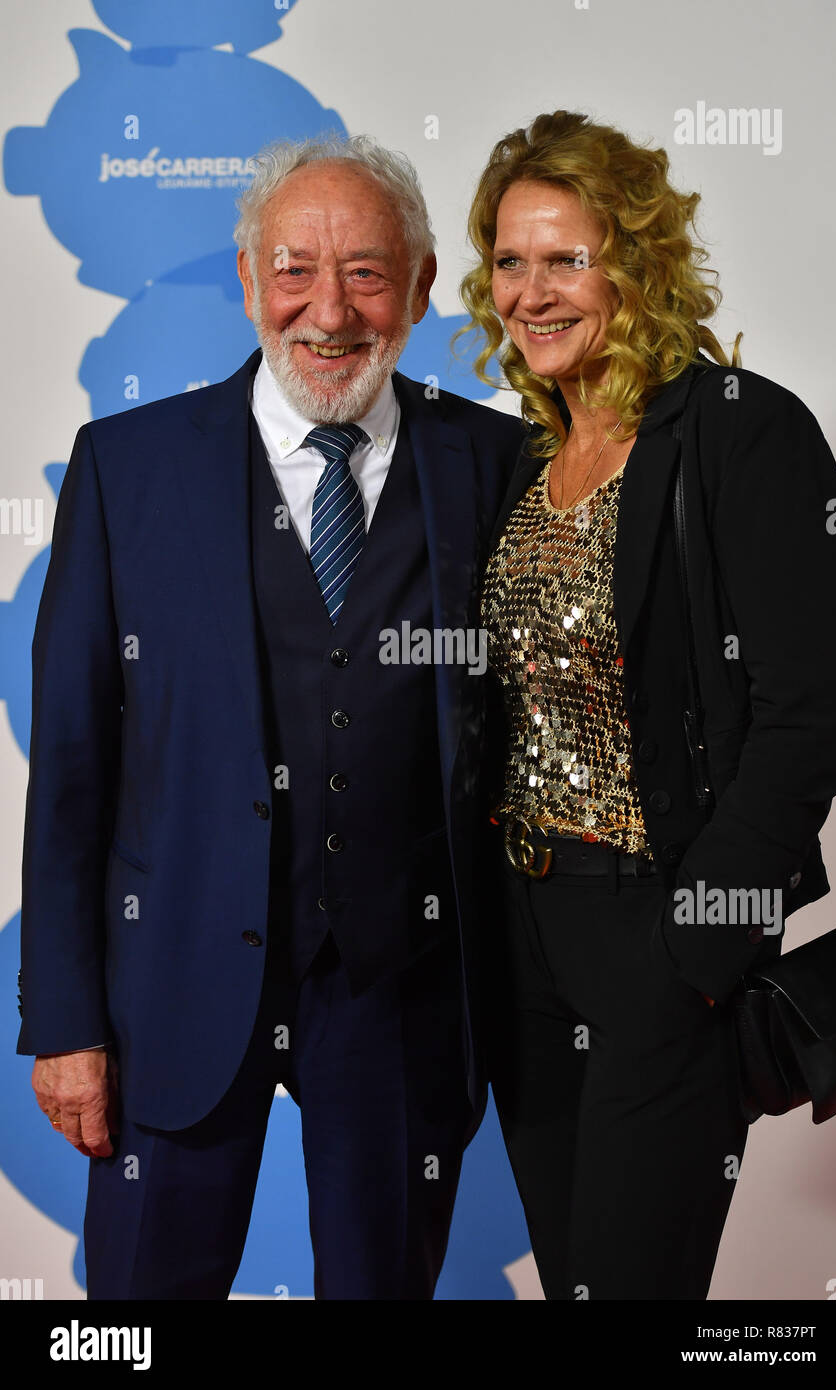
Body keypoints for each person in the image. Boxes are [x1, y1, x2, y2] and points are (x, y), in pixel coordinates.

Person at [18, 133, 525, 1299]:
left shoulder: (493, 461)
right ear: (249, 283)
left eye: (364, 271)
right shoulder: (127, 467)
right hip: (175, 985)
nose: (328, 310)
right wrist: (65, 1019)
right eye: (294, 268)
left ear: (420, 286)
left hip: (399, 989)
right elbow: (75, 765)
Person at [459, 109, 836, 1300]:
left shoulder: (741, 433)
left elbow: (807, 715)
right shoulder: (523, 459)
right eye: (510, 259)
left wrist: (695, 948)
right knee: (573, 1275)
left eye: (565, 257)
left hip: (659, 929)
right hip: (521, 938)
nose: (531, 291)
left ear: (631, 265)